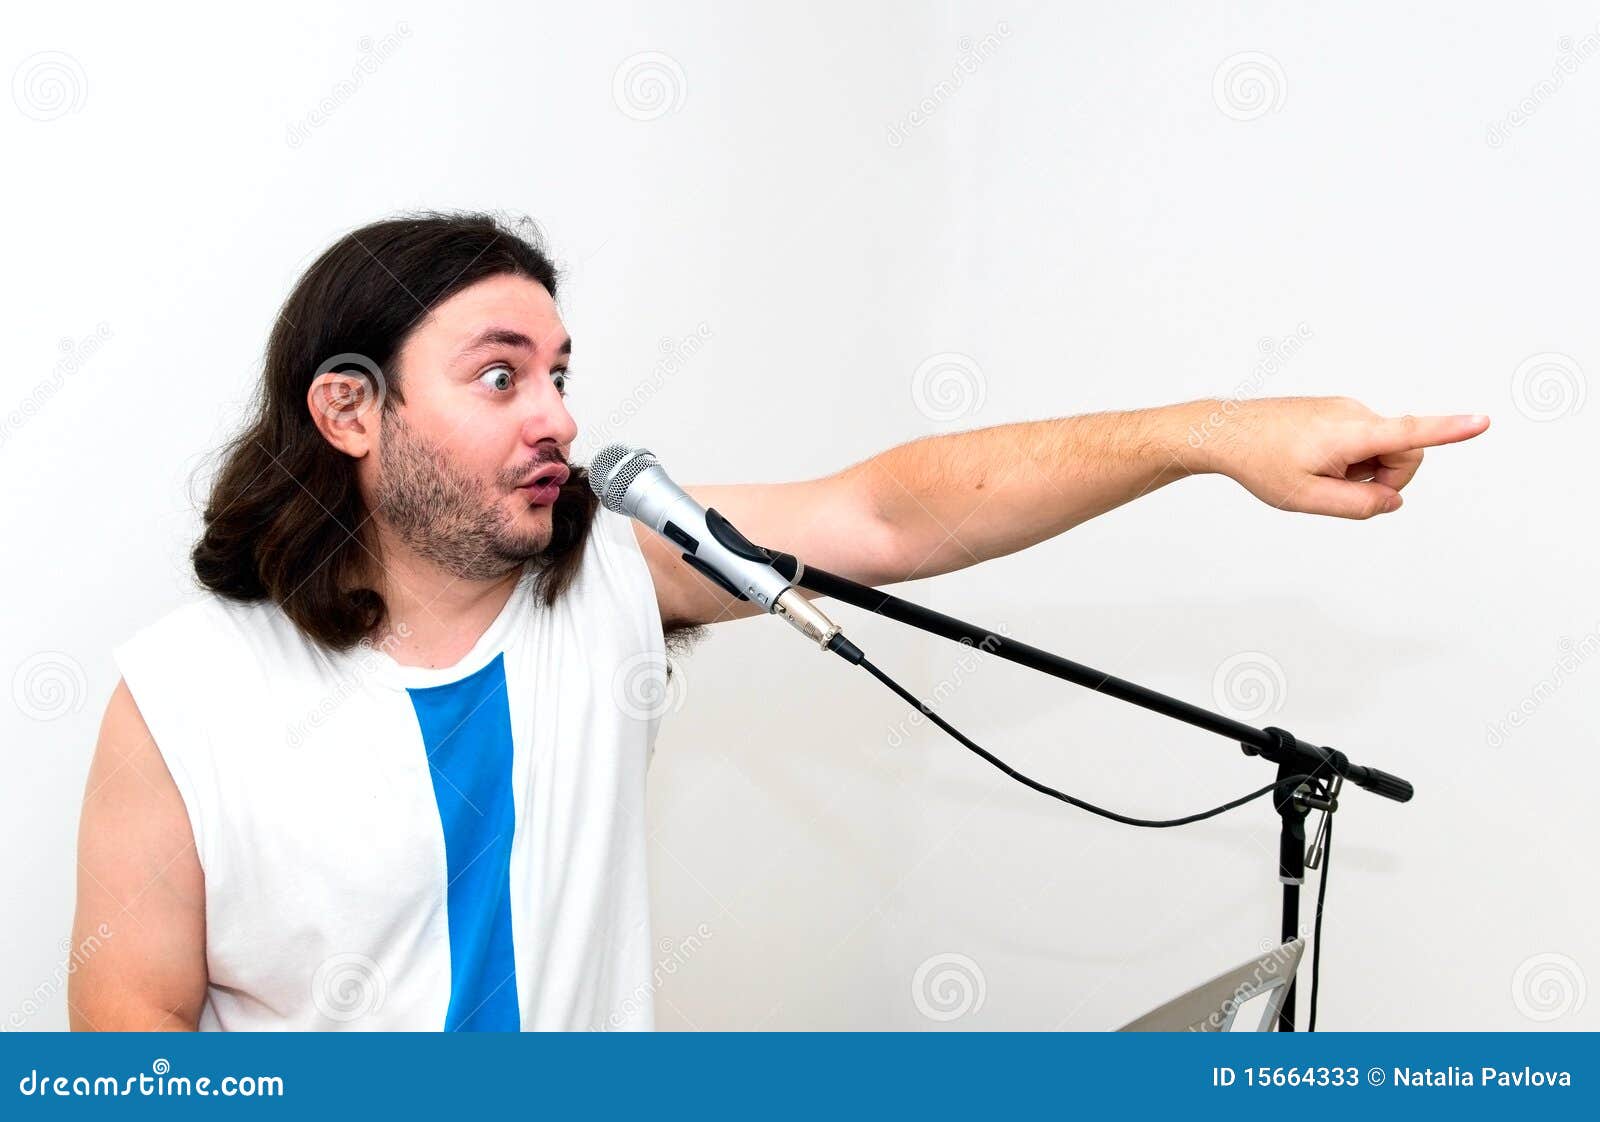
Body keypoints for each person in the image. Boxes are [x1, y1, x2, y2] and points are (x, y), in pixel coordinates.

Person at [68, 211, 1489, 1031]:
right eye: (500, 377)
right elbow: (130, 1053)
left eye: (561, 369)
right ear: (351, 410)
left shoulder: (612, 574)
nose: (561, 414)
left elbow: (888, 515)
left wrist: (1211, 434)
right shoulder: (184, 696)